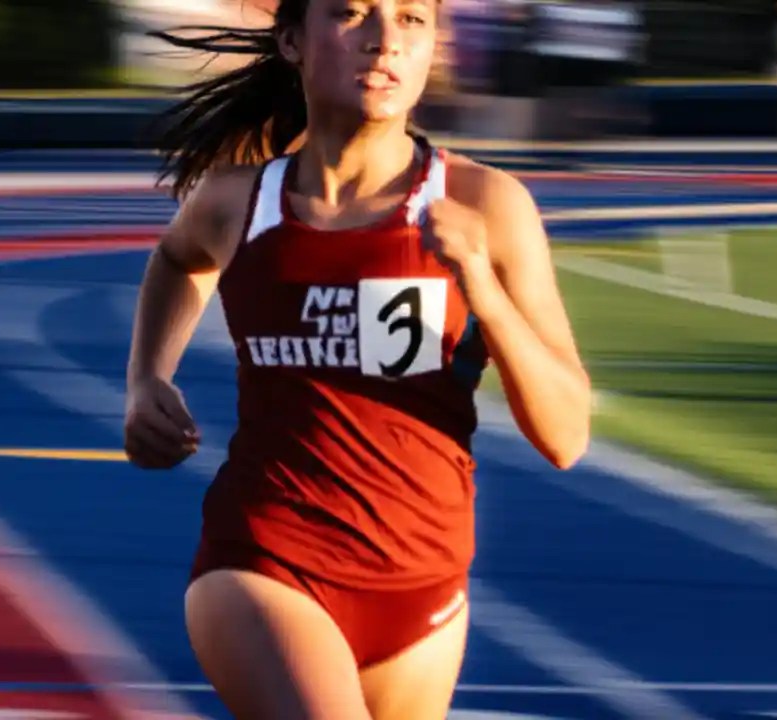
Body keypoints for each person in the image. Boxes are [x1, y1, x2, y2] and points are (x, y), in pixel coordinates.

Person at [123, 0, 592, 715]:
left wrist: (483, 291)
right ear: (292, 41)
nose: (384, 40)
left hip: (422, 585)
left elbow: (566, 437)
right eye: (352, 13)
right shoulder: (239, 203)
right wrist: (147, 378)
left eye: (412, 19)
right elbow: (176, 259)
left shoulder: (485, 204)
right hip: (264, 560)